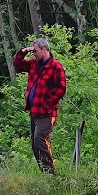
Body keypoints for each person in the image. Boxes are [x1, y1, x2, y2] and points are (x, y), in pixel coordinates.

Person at [12, 38, 67, 173]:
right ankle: (44, 173)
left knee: (40, 140)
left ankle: (51, 174)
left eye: (35, 51)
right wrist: (24, 51)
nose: (34, 54)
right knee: (35, 145)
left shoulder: (56, 67)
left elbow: (61, 89)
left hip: (47, 113)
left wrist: (47, 104)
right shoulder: (34, 65)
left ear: (44, 49)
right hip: (34, 112)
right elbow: (17, 64)